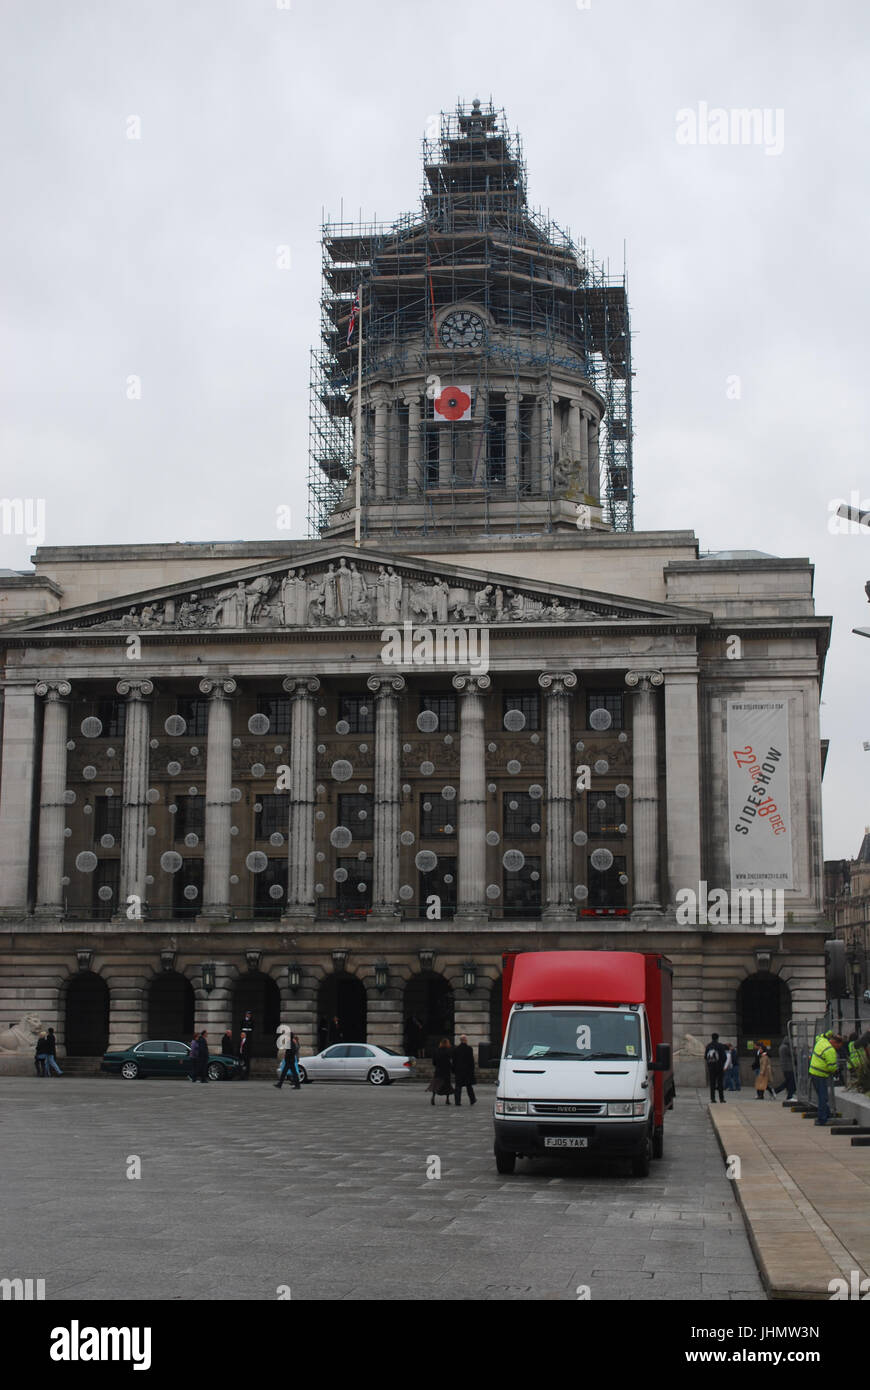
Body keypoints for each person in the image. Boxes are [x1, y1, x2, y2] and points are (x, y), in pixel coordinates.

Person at [808, 1029, 842, 1125]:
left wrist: (828, 1033)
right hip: (820, 1075)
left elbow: (819, 1036)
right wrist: (836, 1071)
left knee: (821, 1096)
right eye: (838, 1046)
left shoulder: (822, 1041)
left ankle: (827, 1113)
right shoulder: (830, 1050)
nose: (838, 1048)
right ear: (835, 1042)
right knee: (823, 1097)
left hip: (813, 1072)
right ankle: (822, 1119)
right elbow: (832, 1067)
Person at [452, 1033, 476, 1106]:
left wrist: (454, 1070)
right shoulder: (469, 1049)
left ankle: (457, 1101)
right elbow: (471, 1061)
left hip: (458, 1071)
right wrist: (472, 1070)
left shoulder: (456, 1049)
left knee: (458, 1087)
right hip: (467, 1071)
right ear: (465, 1040)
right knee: (469, 1086)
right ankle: (472, 1100)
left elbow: (454, 1061)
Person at [428, 1038, 453, 1106]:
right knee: (447, 1085)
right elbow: (450, 1061)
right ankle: (447, 1099)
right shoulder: (448, 1051)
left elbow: (434, 1062)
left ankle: (433, 1097)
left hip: (438, 1070)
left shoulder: (436, 1051)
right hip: (446, 1070)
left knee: (436, 1084)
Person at [704, 1033, 728, 1103]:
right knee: (720, 1083)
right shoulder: (720, 1045)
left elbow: (705, 1057)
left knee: (712, 1083)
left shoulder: (708, 1046)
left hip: (711, 1067)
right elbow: (724, 1057)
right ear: (718, 1038)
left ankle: (712, 1098)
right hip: (719, 1067)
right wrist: (722, 1064)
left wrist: (710, 1064)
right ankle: (721, 1098)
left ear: (711, 1038)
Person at [239, 1011, 254, 1077]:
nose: (249, 1015)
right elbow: (241, 1027)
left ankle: (246, 1074)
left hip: (249, 1035)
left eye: (250, 1014)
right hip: (243, 1054)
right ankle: (242, 1074)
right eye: (248, 1014)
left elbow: (252, 1028)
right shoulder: (243, 1020)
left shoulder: (252, 1020)